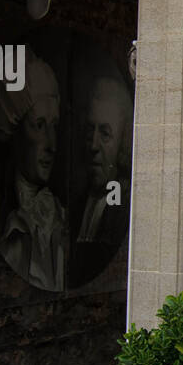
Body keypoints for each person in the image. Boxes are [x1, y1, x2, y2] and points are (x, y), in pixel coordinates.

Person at [0, 53, 68, 291]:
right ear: (14, 131)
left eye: (54, 127)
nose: (51, 144)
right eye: (39, 126)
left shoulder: (55, 214)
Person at [69, 75, 133, 287]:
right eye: (90, 131)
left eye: (105, 134)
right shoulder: (75, 204)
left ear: (122, 142)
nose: (93, 145)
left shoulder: (126, 205)